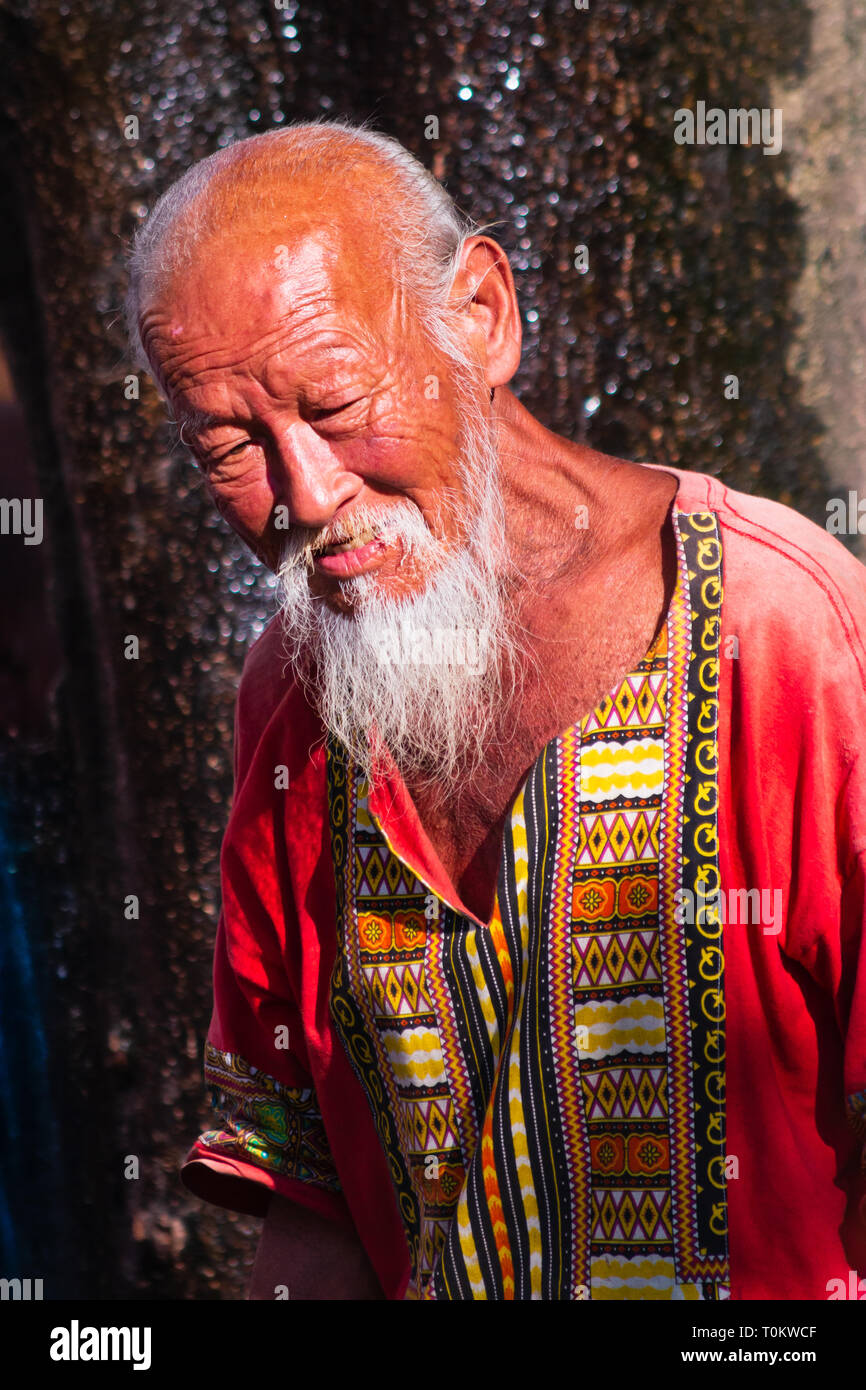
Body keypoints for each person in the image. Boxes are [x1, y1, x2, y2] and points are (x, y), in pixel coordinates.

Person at [126, 120, 866, 1301]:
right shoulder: (288, 694)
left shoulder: (787, 640)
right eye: (229, 446)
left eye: (338, 401)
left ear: (479, 314)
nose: (305, 495)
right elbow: (312, 1213)